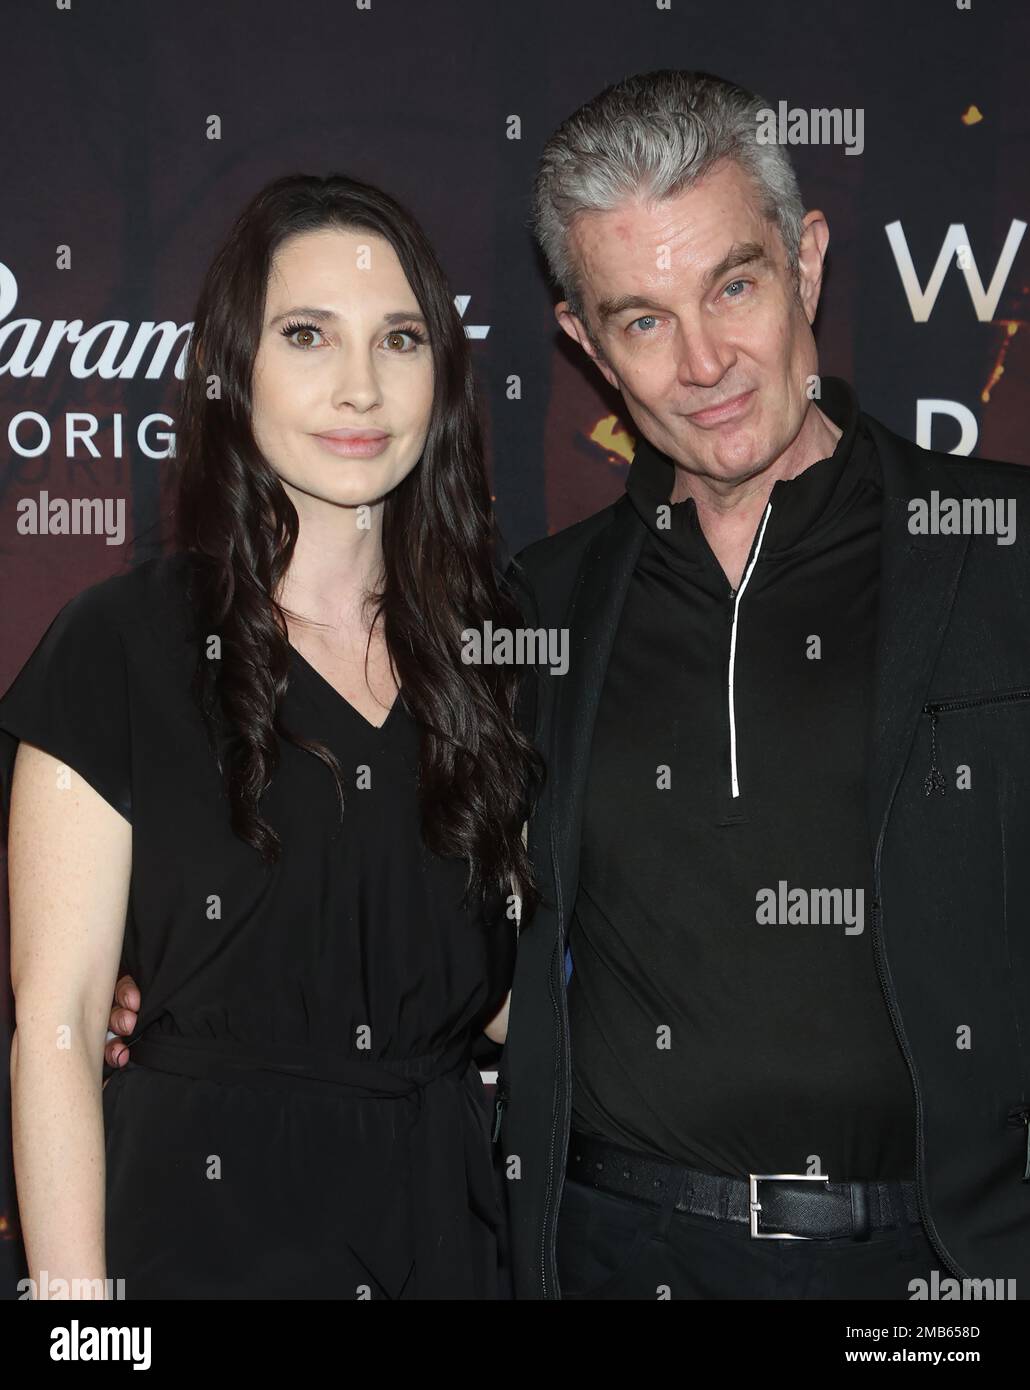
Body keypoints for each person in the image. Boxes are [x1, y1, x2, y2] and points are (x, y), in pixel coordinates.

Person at [495, 69, 1030, 1298]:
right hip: (617, 1251)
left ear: (807, 260)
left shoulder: (1000, 549)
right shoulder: (541, 604)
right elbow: (450, 920)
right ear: (583, 342)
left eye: (732, 284)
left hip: (938, 1264)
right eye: (641, 319)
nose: (704, 362)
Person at [1, 172, 542, 1300]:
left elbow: (509, 984)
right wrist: (73, 1319)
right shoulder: (122, 643)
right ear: (234, 368)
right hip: (193, 1243)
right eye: (307, 335)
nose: (359, 386)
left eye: (398, 338)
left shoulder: (500, 648)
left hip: (444, 1233)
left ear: (442, 376)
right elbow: (55, 1023)